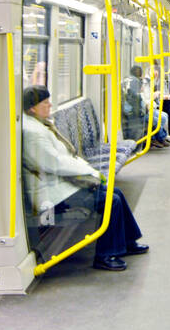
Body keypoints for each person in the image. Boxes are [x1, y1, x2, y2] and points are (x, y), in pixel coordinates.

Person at [21, 85, 147, 271]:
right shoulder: (33, 133)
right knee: (110, 200)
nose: (49, 105)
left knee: (115, 191)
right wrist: (91, 172)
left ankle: (127, 241)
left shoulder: (40, 124)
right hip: (53, 194)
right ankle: (106, 255)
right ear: (32, 108)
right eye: (45, 102)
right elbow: (55, 163)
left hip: (62, 183)